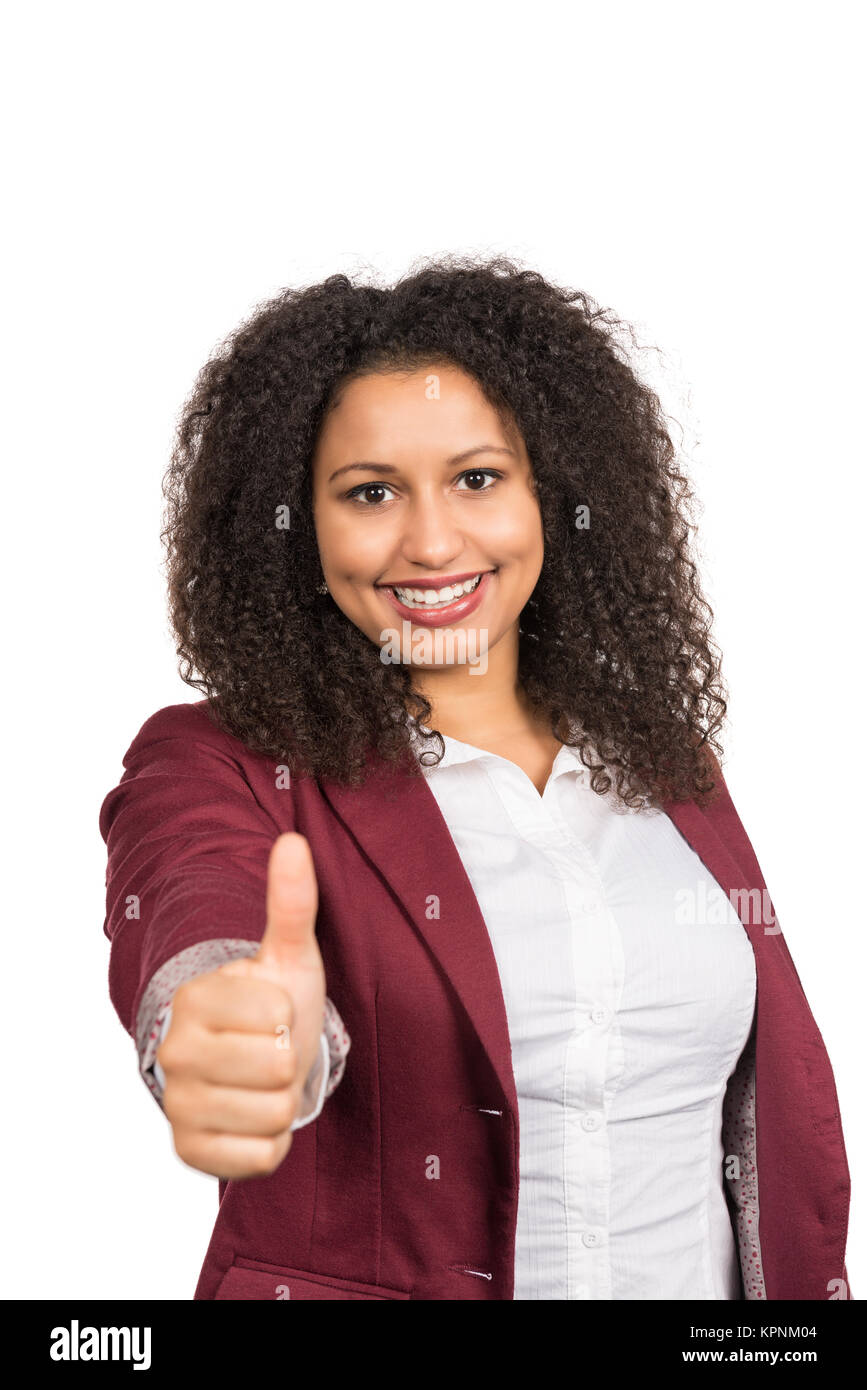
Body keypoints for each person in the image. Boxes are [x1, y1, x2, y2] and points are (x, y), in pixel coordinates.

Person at [99, 255, 852, 1301]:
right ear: (299, 530)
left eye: (478, 478)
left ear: (554, 494)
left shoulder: (661, 757)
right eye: (370, 493)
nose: (435, 539)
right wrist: (222, 1019)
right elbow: (194, 891)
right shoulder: (224, 761)